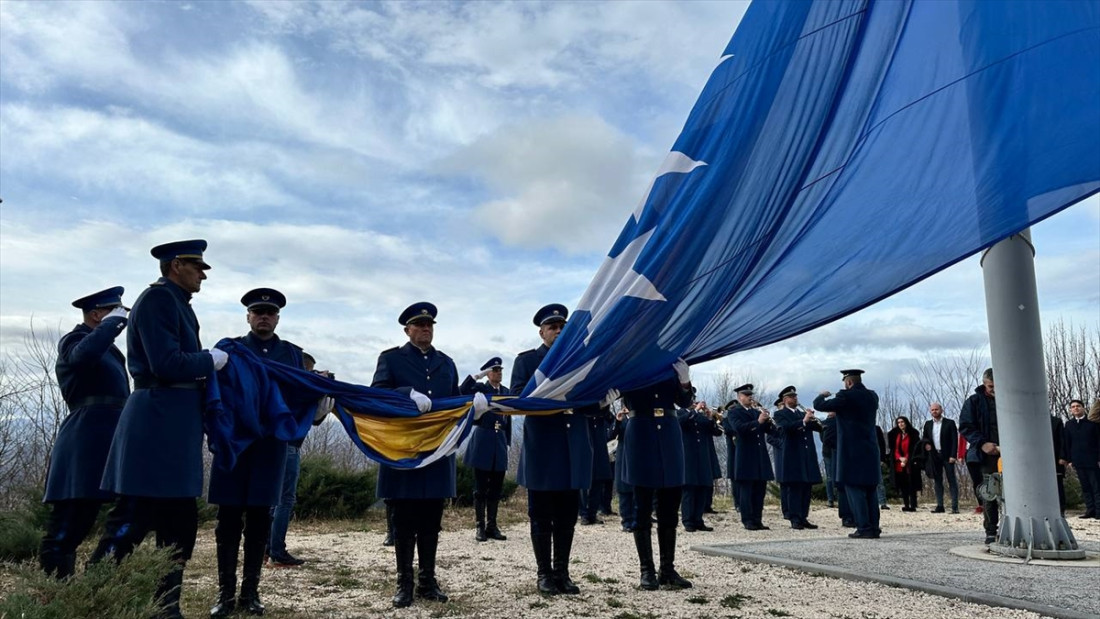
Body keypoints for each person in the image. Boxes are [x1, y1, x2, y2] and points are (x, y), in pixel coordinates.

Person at [97, 240, 225, 618]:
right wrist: (210, 360)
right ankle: (94, 594)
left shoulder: (178, 304)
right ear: (175, 266)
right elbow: (166, 362)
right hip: (156, 421)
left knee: (179, 522)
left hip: (175, 422)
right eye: (197, 267)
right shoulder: (157, 300)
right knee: (133, 515)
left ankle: (165, 607)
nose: (203, 274)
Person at [208, 288, 313, 617]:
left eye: (269, 312)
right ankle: (225, 594)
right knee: (227, 520)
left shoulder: (293, 354)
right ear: (248, 316)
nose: (264, 316)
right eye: (258, 311)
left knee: (258, 518)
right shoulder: (230, 350)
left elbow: (300, 396)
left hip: (270, 445)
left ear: (278, 317)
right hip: (234, 443)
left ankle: (250, 593)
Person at [372, 302, 459, 608]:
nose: (425, 329)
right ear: (407, 329)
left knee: (431, 520)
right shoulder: (392, 359)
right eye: (419, 324)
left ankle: (427, 580)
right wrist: (406, 393)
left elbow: (454, 403)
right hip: (403, 450)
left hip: (436, 451)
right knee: (404, 519)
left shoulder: (446, 363)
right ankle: (404, 583)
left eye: (429, 325)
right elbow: (377, 394)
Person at [40, 286, 130, 579]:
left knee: (132, 509)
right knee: (69, 524)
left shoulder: (110, 349)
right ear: (96, 314)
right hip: (85, 441)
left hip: (112, 438)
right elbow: (82, 357)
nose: (121, 318)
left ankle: (97, 576)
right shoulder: (74, 340)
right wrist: (111, 325)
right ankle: (55, 594)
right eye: (114, 311)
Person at [511, 304, 593, 595]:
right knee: (542, 513)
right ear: (541, 332)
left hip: (573, 444)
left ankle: (563, 572)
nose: (558, 332)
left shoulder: (581, 359)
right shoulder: (527, 361)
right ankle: (544, 574)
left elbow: (591, 401)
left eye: (562, 327)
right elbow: (520, 398)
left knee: (568, 514)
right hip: (544, 445)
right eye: (552, 327)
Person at [619, 362, 694, 591]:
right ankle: (647, 570)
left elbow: (685, 402)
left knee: (670, 507)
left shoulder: (669, 360)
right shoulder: (630, 361)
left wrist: (684, 380)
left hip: (669, 430)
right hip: (641, 429)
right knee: (641, 508)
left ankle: (667, 569)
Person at [270, 351, 332, 567]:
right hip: (289, 447)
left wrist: (320, 410)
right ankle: (276, 552)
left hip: (275, 445)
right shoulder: (298, 387)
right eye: (310, 371)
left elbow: (311, 420)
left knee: (272, 500)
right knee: (285, 500)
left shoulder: (286, 387)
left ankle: (267, 548)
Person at [814, 369, 881, 539]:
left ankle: (863, 527)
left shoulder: (845, 397)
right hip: (870, 450)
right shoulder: (872, 396)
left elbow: (819, 406)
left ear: (848, 382)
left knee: (854, 489)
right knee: (871, 490)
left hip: (851, 451)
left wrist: (822, 395)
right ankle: (874, 527)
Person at [460, 356, 512, 542]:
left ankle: (492, 525)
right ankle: (479, 526)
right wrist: (477, 376)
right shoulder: (482, 388)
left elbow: (509, 416)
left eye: (500, 370)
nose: (498, 373)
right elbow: (462, 390)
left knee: (496, 488)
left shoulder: (506, 391)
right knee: (480, 487)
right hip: (483, 439)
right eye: (494, 370)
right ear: (488, 373)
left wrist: (507, 441)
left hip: (499, 441)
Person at [959, 367, 1001, 543]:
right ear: (984, 384)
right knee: (990, 492)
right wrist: (982, 443)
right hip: (986, 454)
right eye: (991, 386)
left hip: (1010, 453)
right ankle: (991, 531)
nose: (995, 389)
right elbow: (966, 426)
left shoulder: (1010, 399)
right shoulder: (974, 401)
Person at [773, 386, 823, 530]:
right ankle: (794, 518)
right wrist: (804, 421)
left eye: (796, 396)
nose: (795, 399)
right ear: (785, 399)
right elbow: (785, 428)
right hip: (793, 455)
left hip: (806, 456)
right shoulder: (780, 414)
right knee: (795, 488)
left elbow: (818, 428)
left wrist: (814, 419)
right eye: (792, 397)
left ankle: (803, 517)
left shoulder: (802, 414)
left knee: (806, 488)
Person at [728, 384, 777, 531]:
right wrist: (758, 422)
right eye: (747, 395)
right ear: (740, 397)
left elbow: (769, 430)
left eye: (751, 395)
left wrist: (768, 421)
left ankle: (757, 519)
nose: (750, 397)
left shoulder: (757, 411)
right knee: (747, 491)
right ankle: (747, 520)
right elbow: (739, 429)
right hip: (745, 456)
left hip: (759, 456)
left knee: (759, 491)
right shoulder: (734, 412)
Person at [679, 401, 720, 532]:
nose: (694, 402)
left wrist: (709, 417)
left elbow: (716, 431)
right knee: (689, 490)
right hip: (687, 457)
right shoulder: (679, 413)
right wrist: (695, 411)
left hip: (702, 457)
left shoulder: (701, 416)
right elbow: (680, 423)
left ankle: (698, 519)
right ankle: (688, 520)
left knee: (702, 488)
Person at [1062, 399, 1100, 519]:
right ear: (1071, 410)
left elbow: (1098, 442)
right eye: (1073, 407)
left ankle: (1099, 511)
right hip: (1078, 460)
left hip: (1092, 460)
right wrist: (1069, 459)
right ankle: (1090, 510)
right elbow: (1067, 443)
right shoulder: (1069, 425)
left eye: (1078, 406)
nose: (1076, 408)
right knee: (1085, 487)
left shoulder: (1092, 424)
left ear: (1083, 408)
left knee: (1096, 486)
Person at [921, 402, 959, 514]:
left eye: (936, 409)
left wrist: (953, 455)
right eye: (932, 410)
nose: (934, 411)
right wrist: (926, 445)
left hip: (947, 456)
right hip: (934, 456)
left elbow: (954, 440)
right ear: (930, 411)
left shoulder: (950, 423)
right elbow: (924, 438)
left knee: (951, 480)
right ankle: (940, 506)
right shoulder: (928, 424)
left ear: (941, 410)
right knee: (937, 481)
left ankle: (954, 507)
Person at [580, 405, 614, 526]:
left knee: (599, 479)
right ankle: (584, 514)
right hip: (585, 433)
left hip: (599, 438)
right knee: (583, 482)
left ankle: (592, 514)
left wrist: (604, 406)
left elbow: (610, 418)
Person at [887, 416, 922, 512]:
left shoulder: (913, 433)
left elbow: (914, 448)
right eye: (898, 422)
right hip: (899, 463)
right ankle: (906, 504)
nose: (900, 424)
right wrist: (900, 458)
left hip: (911, 462)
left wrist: (906, 459)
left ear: (906, 422)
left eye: (902, 422)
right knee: (903, 484)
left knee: (912, 483)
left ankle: (913, 505)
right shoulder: (895, 435)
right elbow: (895, 449)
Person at [611, 410, 636, 532]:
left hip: (637, 456)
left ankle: (637, 520)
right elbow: (611, 434)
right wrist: (618, 421)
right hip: (624, 454)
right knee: (624, 491)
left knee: (638, 491)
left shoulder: (638, 417)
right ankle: (627, 521)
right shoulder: (622, 419)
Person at [821, 411, 838, 508]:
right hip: (830, 451)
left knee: (830, 476)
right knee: (831, 476)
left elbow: (822, 438)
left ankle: (831, 499)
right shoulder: (825, 423)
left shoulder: (824, 423)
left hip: (828, 450)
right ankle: (831, 499)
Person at [1051, 414, 1067, 515]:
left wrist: (1062, 456)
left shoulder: (1056, 421)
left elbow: (1062, 440)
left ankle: (1061, 509)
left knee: (1058, 484)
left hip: (1055, 458)